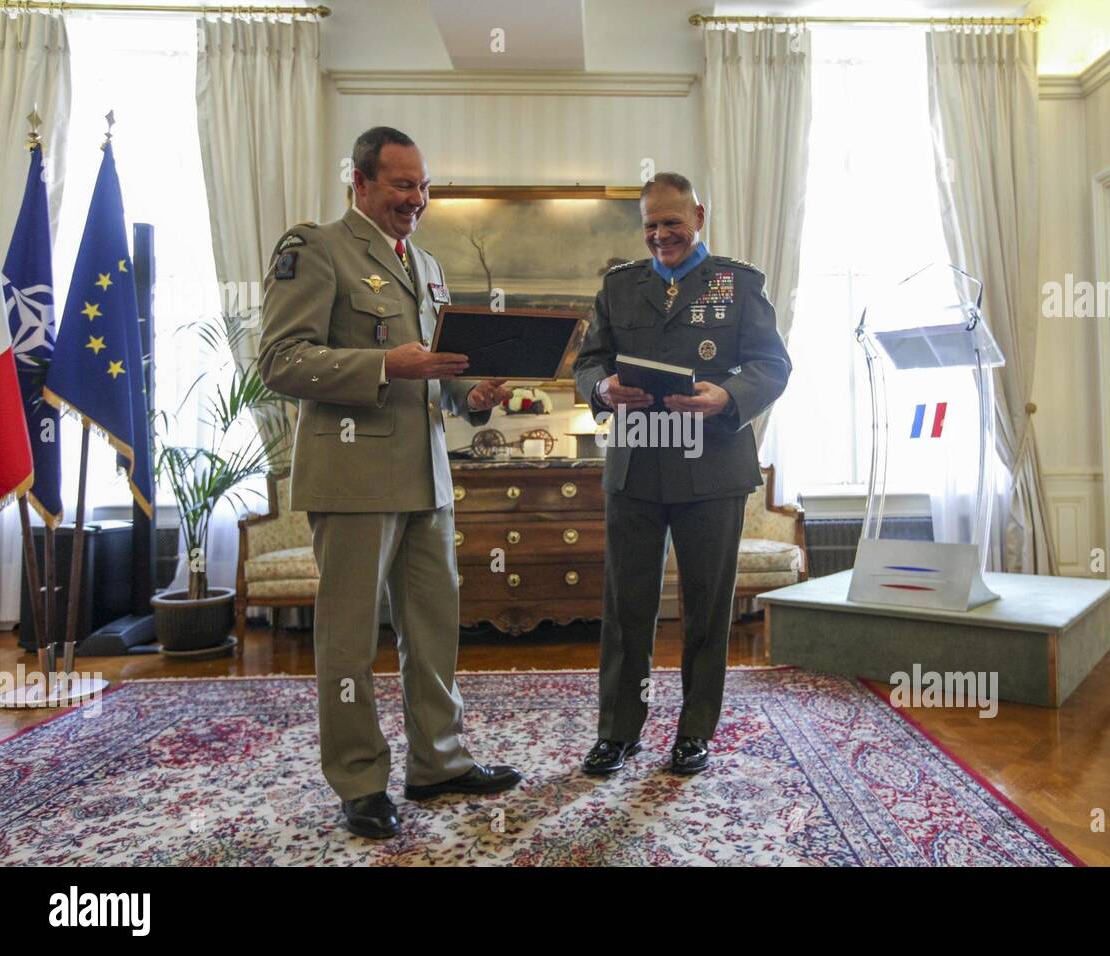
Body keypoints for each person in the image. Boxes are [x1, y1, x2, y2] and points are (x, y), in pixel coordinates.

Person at [258, 126, 521, 838]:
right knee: (348, 640)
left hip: (427, 478)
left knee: (433, 629)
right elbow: (281, 362)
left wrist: (467, 397)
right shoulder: (313, 250)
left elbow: (429, 375)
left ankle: (438, 761)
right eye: (402, 185)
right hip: (351, 479)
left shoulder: (428, 265)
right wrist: (382, 367)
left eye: (423, 185)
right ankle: (359, 779)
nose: (417, 199)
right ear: (362, 183)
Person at [573, 172, 791, 775]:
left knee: (706, 607)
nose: (660, 235)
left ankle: (695, 732)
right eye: (650, 225)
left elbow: (772, 365)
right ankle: (618, 732)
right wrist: (602, 388)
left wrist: (727, 395)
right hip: (637, 464)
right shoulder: (620, 287)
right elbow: (589, 362)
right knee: (626, 608)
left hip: (712, 466)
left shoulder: (738, 284)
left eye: (672, 222)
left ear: (698, 215)